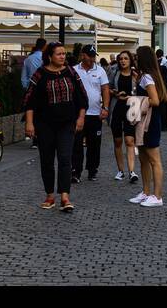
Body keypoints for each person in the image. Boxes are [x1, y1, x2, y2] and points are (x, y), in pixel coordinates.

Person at [23, 41, 87, 212]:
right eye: (59, 54)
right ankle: (50, 195)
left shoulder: (71, 72)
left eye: (64, 54)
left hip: (67, 123)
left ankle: (65, 196)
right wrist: (29, 123)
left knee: (65, 158)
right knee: (47, 160)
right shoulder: (40, 74)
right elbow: (30, 100)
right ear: (50, 56)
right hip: (45, 124)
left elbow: (82, 96)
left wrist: (81, 117)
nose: (62, 56)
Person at [131, 46, 167, 207]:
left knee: (154, 159)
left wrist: (137, 101)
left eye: (137, 58)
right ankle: (146, 192)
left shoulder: (147, 78)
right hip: (147, 121)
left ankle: (157, 196)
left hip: (150, 122)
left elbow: (154, 100)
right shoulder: (147, 76)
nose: (135, 60)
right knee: (144, 158)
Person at [71, 44, 110, 182]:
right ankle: (76, 170)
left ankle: (92, 169)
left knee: (94, 144)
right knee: (76, 144)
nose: (92, 59)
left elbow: (105, 89)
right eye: (90, 56)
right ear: (83, 55)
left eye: (94, 56)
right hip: (77, 114)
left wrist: (105, 108)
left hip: (95, 114)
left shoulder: (100, 71)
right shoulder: (74, 70)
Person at [109, 50, 139, 183]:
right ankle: (120, 170)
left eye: (126, 58)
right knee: (117, 141)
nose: (123, 61)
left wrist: (130, 97)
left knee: (130, 140)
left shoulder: (135, 75)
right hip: (116, 108)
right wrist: (115, 93)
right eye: (121, 59)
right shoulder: (115, 73)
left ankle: (131, 171)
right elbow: (107, 88)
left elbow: (140, 92)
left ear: (130, 60)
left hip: (131, 108)